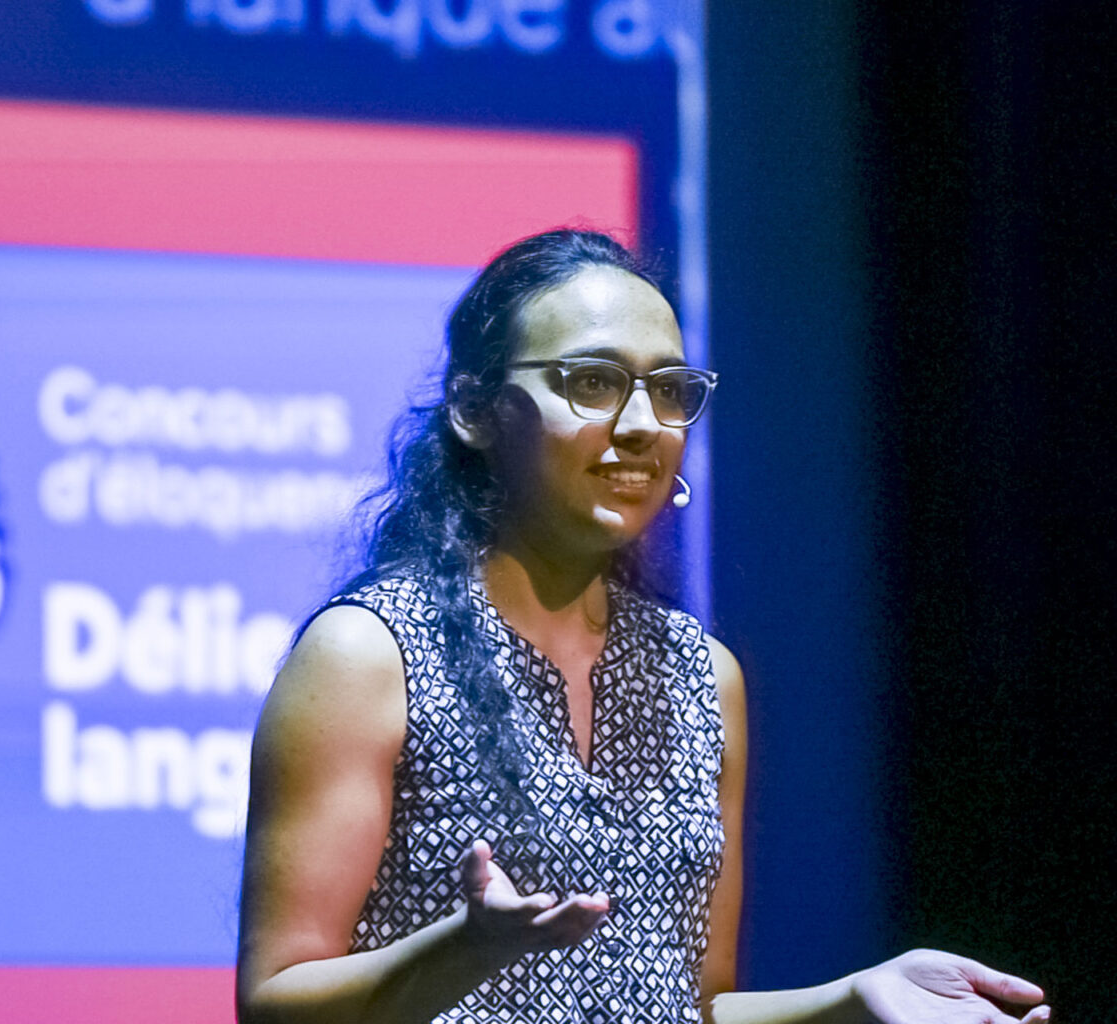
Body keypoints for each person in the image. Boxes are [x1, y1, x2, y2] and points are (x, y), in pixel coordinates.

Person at [235, 228, 1050, 1024]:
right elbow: (275, 999)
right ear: (475, 411)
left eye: (668, 391)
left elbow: (695, 1007)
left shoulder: (703, 676)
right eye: (592, 383)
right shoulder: (372, 654)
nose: (641, 425)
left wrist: (851, 1002)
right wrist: (465, 950)